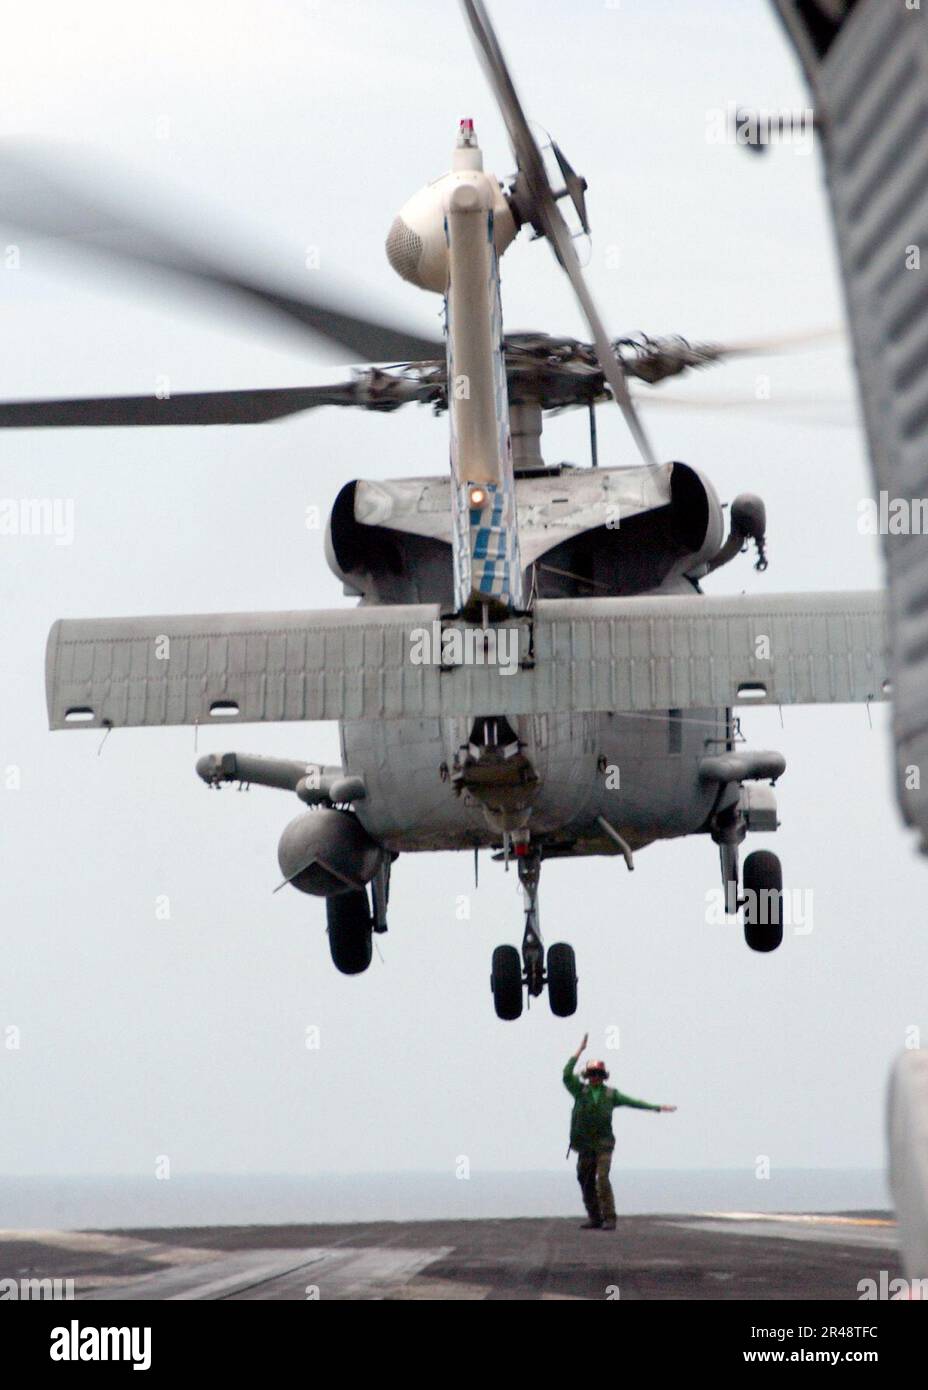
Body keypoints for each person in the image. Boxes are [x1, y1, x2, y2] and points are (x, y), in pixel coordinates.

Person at [563, 1032, 676, 1230]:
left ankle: (610, 1218)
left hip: (604, 1144)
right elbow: (566, 1075)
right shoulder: (579, 1091)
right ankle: (595, 1218)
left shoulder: (611, 1095)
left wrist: (656, 1107)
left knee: (603, 1178)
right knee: (585, 1180)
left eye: (598, 1074)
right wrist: (579, 1051)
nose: (595, 1078)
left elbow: (634, 1102)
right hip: (585, 1145)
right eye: (592, 1074)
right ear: (587, 1077)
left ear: (603, 1077)